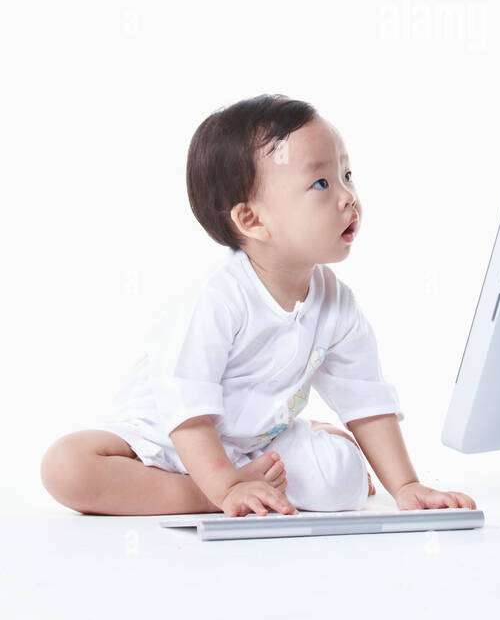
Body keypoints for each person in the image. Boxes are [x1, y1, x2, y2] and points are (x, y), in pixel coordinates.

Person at [40, 96, 476, 518]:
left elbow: (367, 400)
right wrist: (225, 487)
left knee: (342, 482)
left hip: (257, 444)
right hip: (170, 439)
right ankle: (200, 494)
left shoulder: (336, 301)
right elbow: (187, 410)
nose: (347, 197)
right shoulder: (218, 298)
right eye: (321, 183)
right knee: (67, 467)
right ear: (252, 220)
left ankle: (269, 471)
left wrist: (405, 486)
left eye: (347, 175)